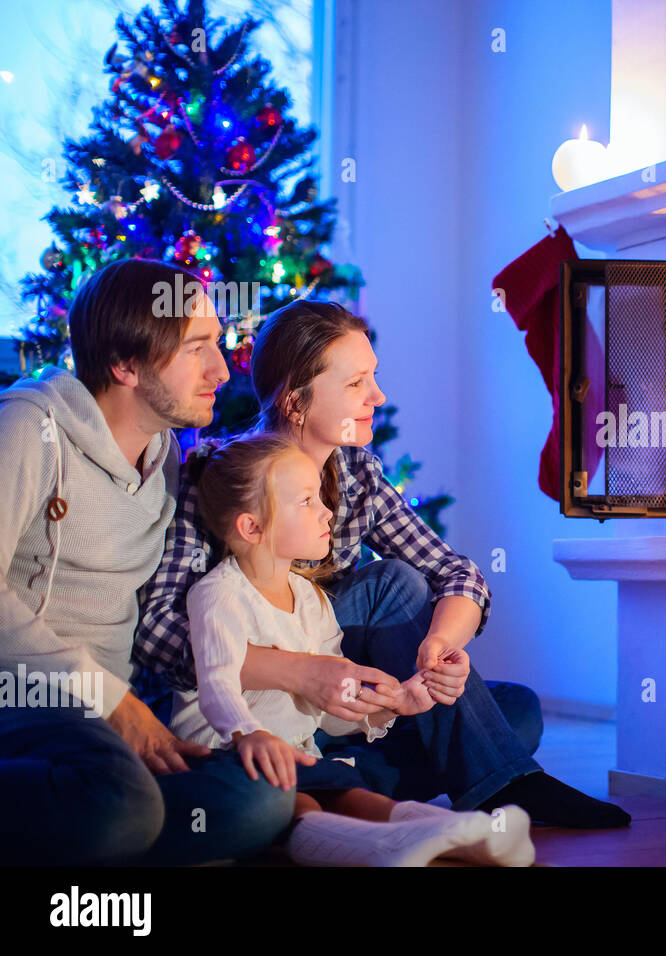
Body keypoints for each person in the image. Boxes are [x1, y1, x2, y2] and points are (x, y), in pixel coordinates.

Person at [137, 299, 630, 828]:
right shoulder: (216, 478)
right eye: (355, 384)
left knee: (518, 712)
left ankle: (320, 777)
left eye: (374, 377)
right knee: (393, 585)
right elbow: (157, 631)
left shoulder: (357, 476)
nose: (378, 396)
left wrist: (441, 648)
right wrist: (305, 672)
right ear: (295, 402)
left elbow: (458, 575)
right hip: (238, 703)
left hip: (335, 708)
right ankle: (483, 781)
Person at [0, 258, 294, 865]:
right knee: (125, 806)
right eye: (197, 348)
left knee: (263, 797)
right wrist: (108, 699)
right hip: (24, 704)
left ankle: (91, 832)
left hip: (107, 720)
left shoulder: (167, 461)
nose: (222, 368)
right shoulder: (30, 429)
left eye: (219, 343)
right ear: (125, 364)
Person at [176, 432, 534, 865]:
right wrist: (247, 733)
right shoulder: (218, 595)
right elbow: (216, 682)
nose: (327, 510)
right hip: (224, 749)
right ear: (251, 527)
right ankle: (388, 847)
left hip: (298, 753)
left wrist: (395, 704)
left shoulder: (311, 600)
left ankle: (464, 834)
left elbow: (328, 707)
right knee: (301, 800)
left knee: (345, 792)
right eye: (307, 501)